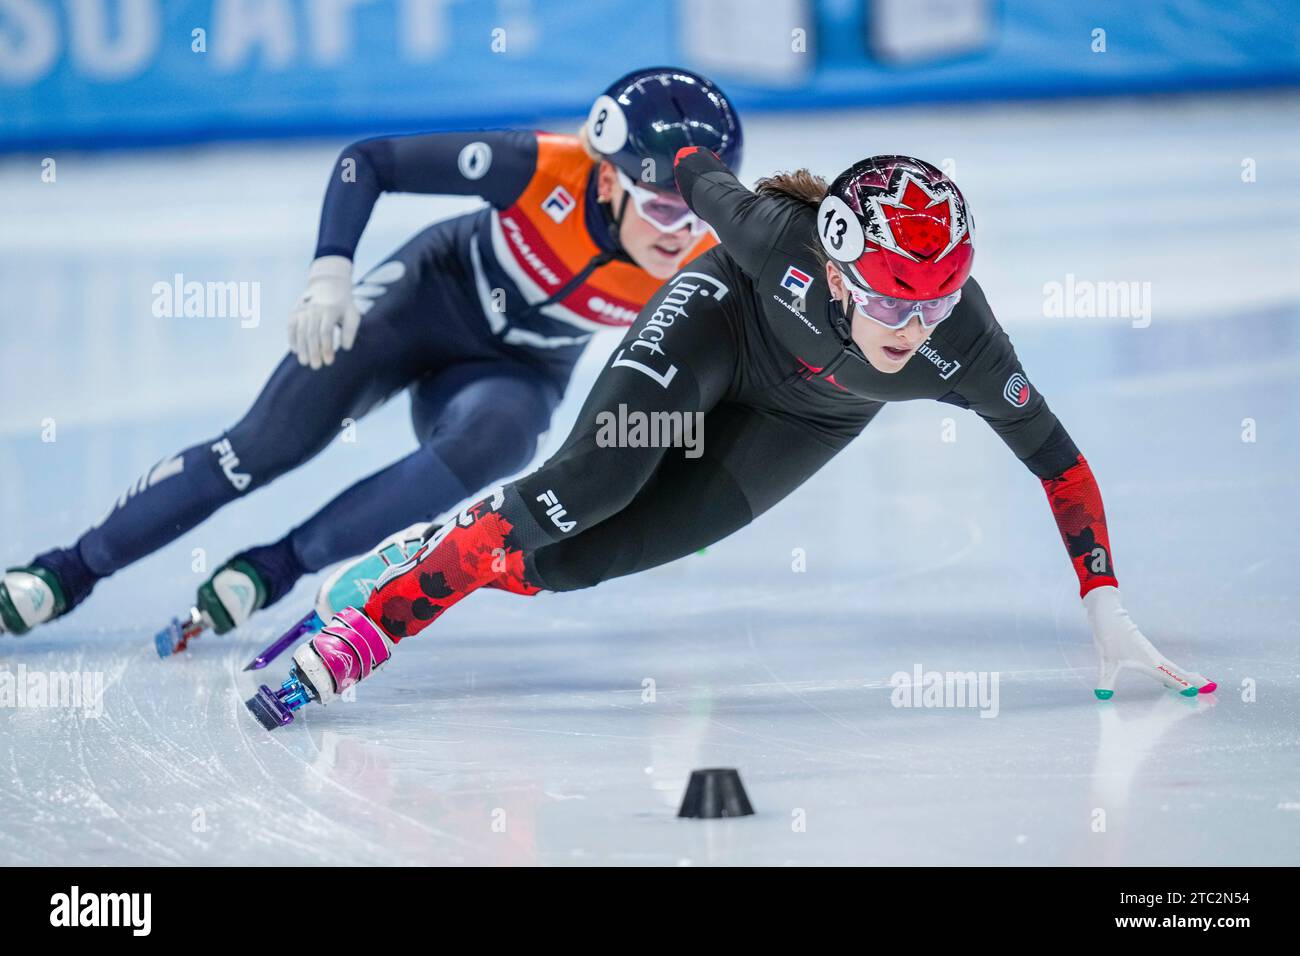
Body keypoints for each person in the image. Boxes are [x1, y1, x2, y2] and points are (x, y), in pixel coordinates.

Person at [248, 147, 1214, 729]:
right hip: (719, 328)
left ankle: (437, 552)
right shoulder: (775, 239)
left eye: (937, 303)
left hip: (805, 419)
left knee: (578, 562)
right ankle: (371, 633)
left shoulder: (964, 346)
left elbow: (1059, 459)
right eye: (888, 299)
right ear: (835, 271)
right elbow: (689, 172)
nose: (911, 330)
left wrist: (1103, 601)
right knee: (589, 487)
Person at [0, 68, 742, 646]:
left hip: (513, 375)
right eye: (664, 207)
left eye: (697, 207)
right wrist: (331, 271)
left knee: (503, 440)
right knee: (259, 448)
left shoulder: (703, 259)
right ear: (607, 176)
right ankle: (64, 571)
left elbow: (715, 374)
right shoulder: (537, 167)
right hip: (423, 300)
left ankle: (277, 567)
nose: (680, 232)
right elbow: (367, 162)